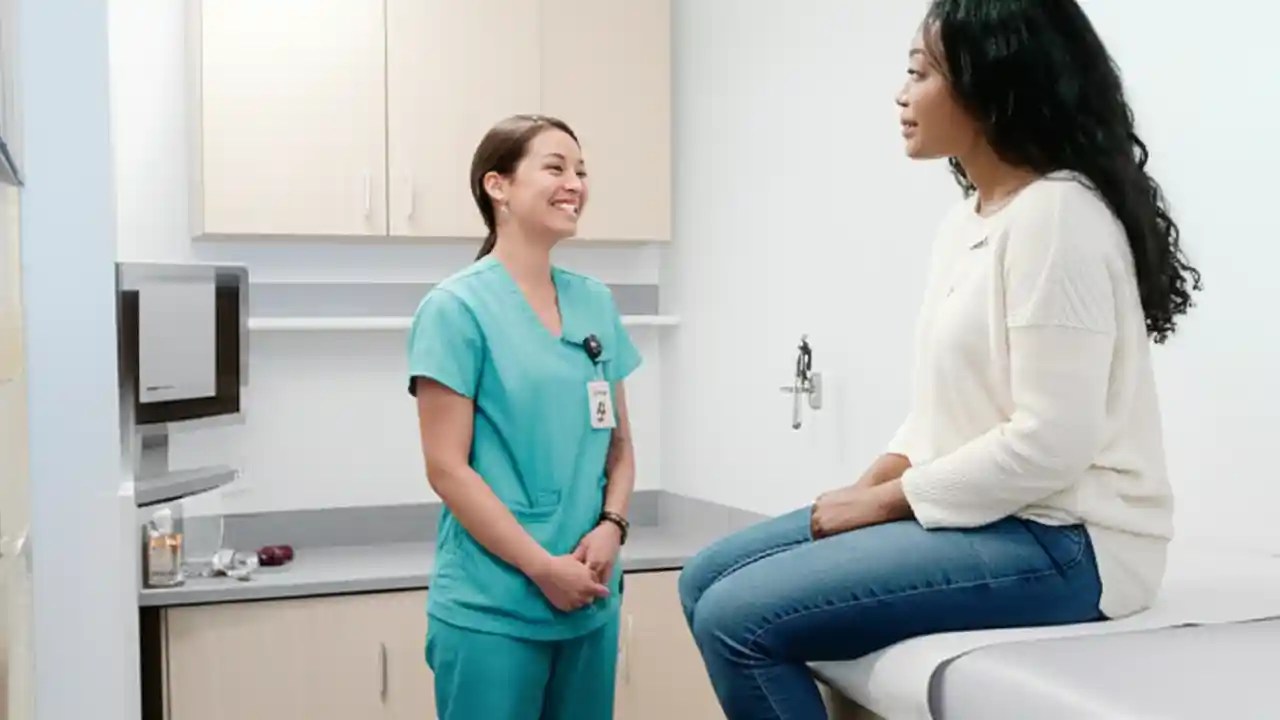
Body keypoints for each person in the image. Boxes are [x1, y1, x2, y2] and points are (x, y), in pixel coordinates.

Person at [677, 0, 1203, 717]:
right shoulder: (970, 221)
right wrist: (863, 491)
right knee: (702, 575)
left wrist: (884, 503)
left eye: (921, 72)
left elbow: (1053, 441)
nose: (901, 93)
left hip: (1074, 543)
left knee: (736, 619)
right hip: (997, 516)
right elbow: (939, 415)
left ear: (992, 85)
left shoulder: (1059, 218)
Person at [407, 114, 642, 720]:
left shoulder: (596, 302)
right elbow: (446, 469)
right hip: (495, 609)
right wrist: (542, 567)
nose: (576, 183)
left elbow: (619, 445)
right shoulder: (455, 309)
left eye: (582, 171)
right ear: (498, 186)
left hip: (590, 599)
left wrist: (613, 524)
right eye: (556, 167)